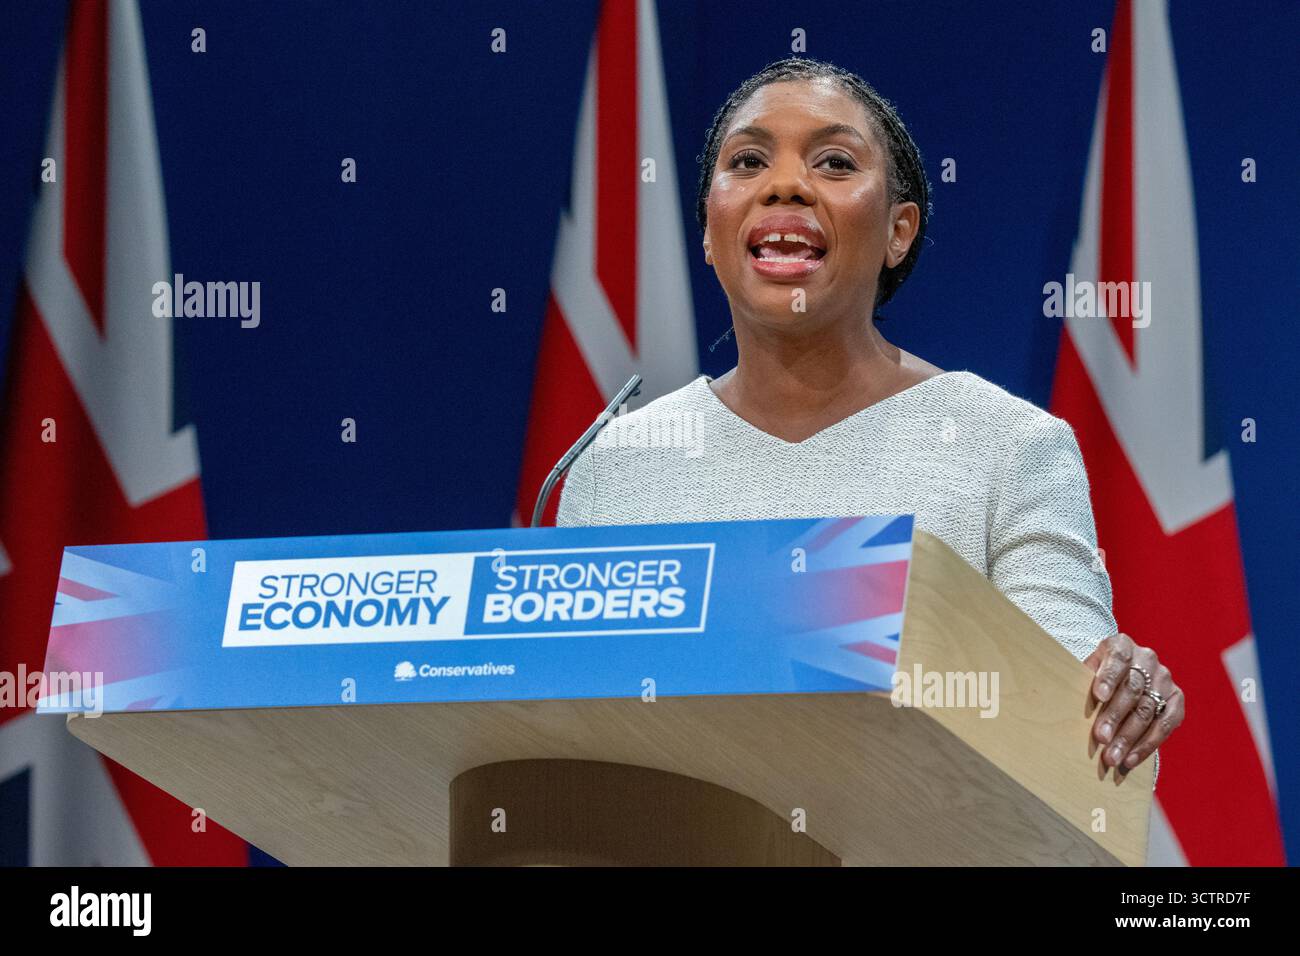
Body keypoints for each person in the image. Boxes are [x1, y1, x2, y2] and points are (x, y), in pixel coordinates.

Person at [557, 56, 1182, 780]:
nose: (785, 184)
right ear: (708, 227)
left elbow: (1074, 723)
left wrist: (1119, 698)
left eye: (833, 162)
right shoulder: (613, 467)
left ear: (898, 231)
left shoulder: (1007, 446)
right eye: (749, 161)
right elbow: (567, 729)